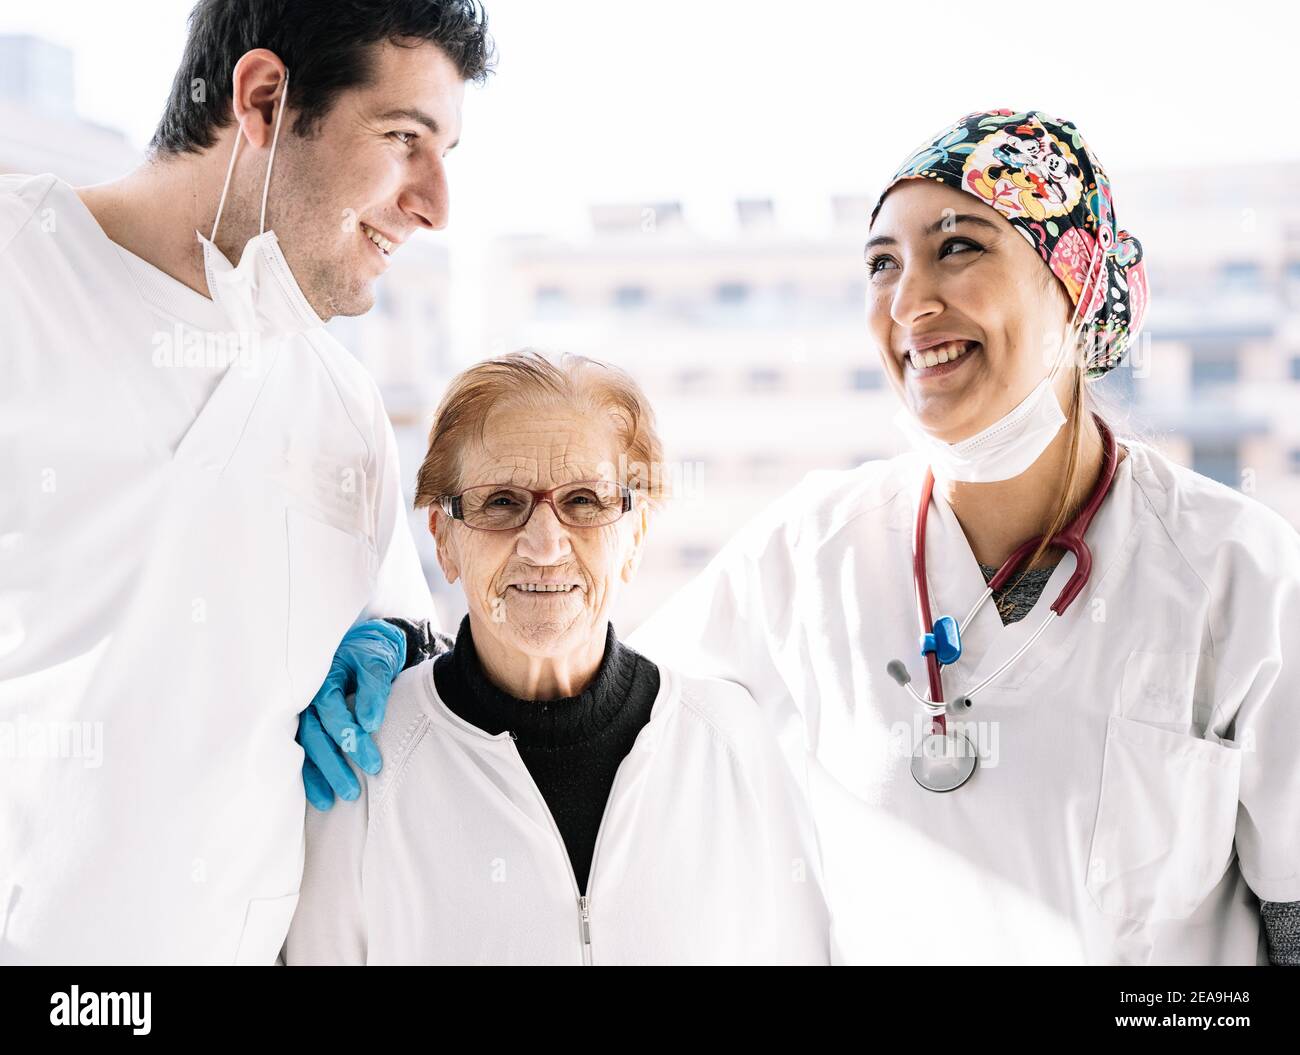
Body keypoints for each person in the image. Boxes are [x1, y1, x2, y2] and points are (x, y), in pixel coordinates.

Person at [624, 110, 1300, 965]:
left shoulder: (1236, 572)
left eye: (958, 247)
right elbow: (610, 739)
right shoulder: (806, 557)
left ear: (1075, 284)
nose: (909, 304)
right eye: (882, 264)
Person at [0, 0, 493, 965]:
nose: (436, 205)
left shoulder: (344, 410)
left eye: (445, 155)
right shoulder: (19, 282)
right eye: (404, 139)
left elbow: (397, 646)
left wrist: (391, 644)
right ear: (265, 98)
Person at [282, 352, 832, 965]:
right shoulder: (366, 762)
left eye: (584, 500)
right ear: (443, 539)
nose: (545, 546)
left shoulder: (728, 741)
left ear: (634, 536)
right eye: (500, 501)